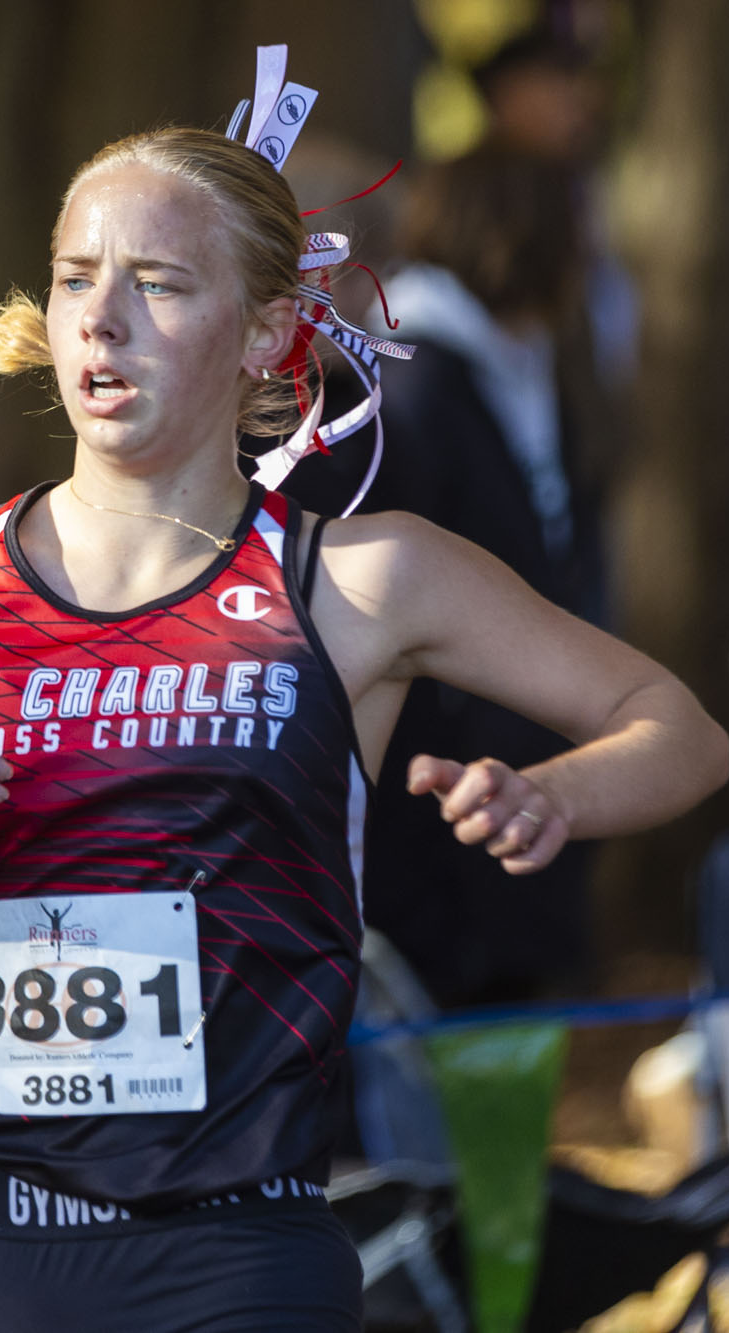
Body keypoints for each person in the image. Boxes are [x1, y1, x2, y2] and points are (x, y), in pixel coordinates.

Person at [0, 63, 729, 1333]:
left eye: (156, 284)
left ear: (265, 331)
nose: (99, 319)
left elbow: (678, 729)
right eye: (75, 274)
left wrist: (549, 793)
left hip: (233, 1257)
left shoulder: (358, 581)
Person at [290, 148, 606, 1006]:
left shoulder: (511, 367)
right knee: (442, 1088)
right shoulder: (405, 383)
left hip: (513, 776)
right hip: (438, 804)